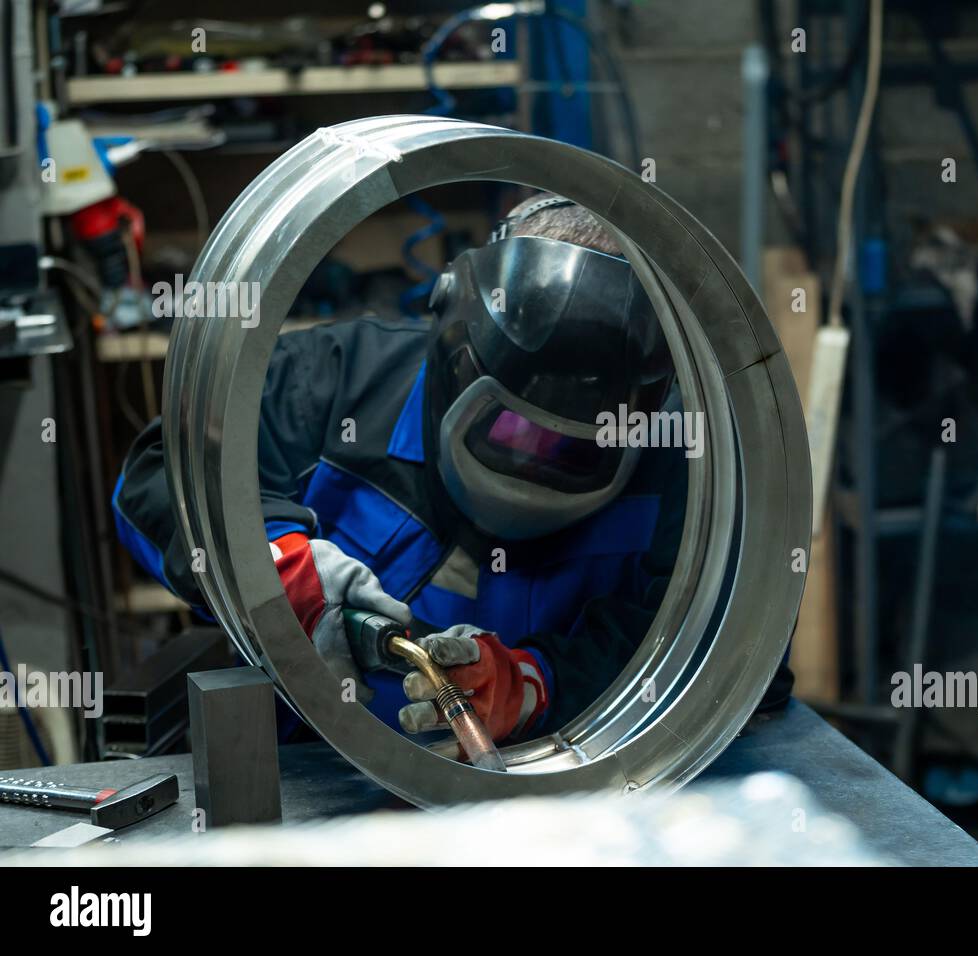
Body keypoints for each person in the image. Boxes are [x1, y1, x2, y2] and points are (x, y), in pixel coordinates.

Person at [114, 193, 790, 744]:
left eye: (576, 449)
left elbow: (725, 654)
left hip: (565, 794)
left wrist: (538, 683)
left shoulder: (689, 470)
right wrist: (270, 562)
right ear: (459, 356)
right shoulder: (337, 382)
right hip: (310, 777)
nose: (536, 458)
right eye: (513, 428)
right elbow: (155, 478)